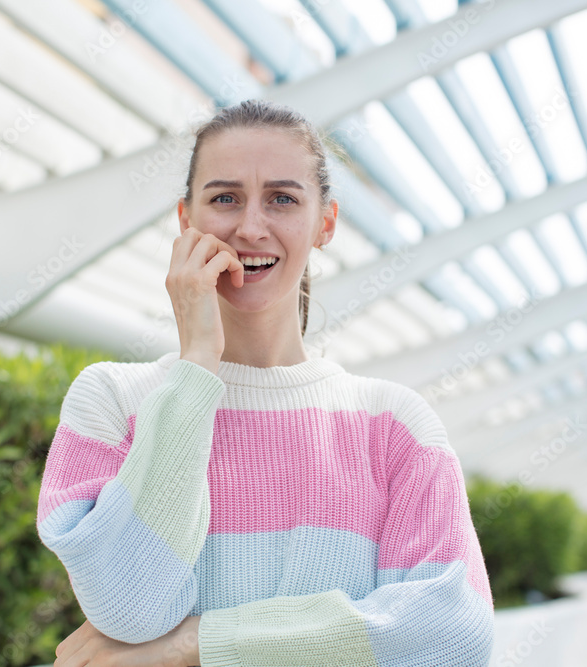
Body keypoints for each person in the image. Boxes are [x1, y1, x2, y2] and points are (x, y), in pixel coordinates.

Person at [35, 99, 495, 666]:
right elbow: (131, 609)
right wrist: (198, 365)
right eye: (225, 197)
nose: (251, 227)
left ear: (325, 222)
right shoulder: (110, 399)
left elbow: (452, 633)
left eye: (282, 199)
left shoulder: (396, 425)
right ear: (186, 219)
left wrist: (196, 643)